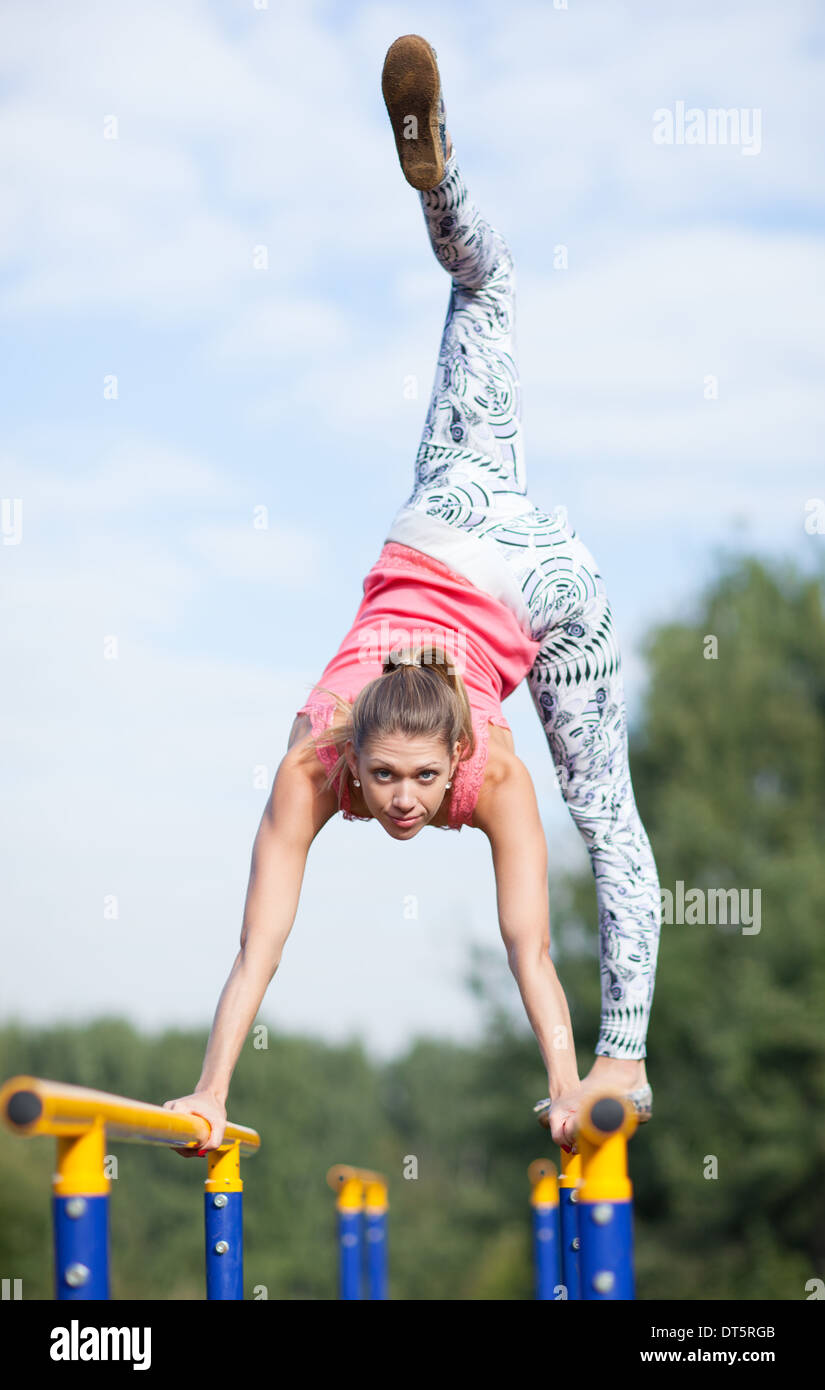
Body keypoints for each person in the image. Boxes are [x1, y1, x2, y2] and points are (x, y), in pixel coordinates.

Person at [163, 34, 661, 1158]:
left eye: (416, 781)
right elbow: (262, 948)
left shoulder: (473, 769)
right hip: (476, 530)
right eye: (389, 780)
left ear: (458, 759)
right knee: (490, 278)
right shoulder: (323, 764)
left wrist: (578, 1082)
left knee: (606, 819)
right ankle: (448, 190)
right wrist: (208, 1089)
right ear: (356, 756)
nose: (397, 801)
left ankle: (439, 179)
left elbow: (531, 950)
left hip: (511, 555)